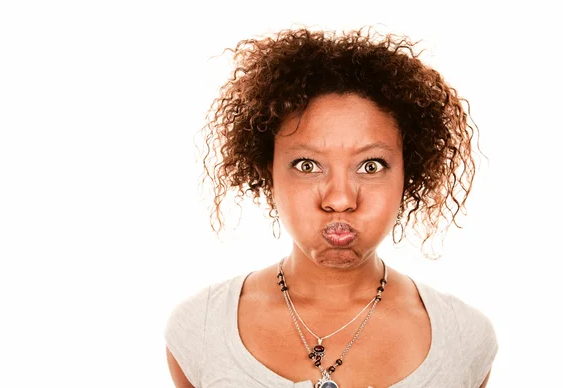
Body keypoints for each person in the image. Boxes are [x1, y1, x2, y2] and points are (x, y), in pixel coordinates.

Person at [165, 27, 498, 388]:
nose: (340, 199)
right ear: (268, 172)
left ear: (409, 174)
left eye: (371, 166)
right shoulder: (201, 330)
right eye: (307, 165)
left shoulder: (463, 340)